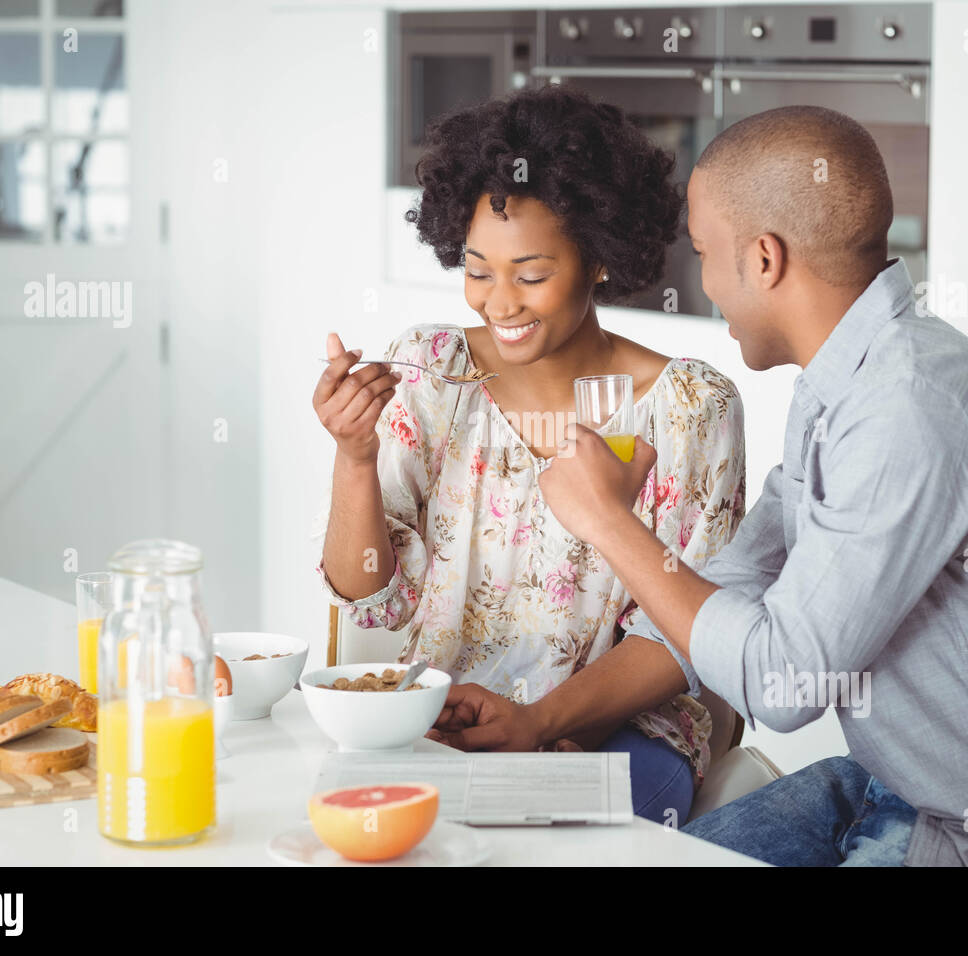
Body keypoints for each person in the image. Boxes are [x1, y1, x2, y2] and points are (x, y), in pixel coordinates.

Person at [527, 105, 968, 865]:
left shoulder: (911, 406)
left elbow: (785, 682)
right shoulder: (842, 386)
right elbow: (737, 581)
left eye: (702, 252)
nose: (703, 283)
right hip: (895, 788)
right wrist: (538, 721)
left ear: (763, 260)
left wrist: (606, 520)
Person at [312, 86, 746, 823]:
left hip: (620, 733)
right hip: (445, 718)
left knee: (540, 840)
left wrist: (545, 722)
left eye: (533, 274)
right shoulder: (431, 369)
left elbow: (688, 633)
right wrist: (354, 457)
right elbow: (373, 602)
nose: (499, 302)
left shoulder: (690, 409)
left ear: (600, 259)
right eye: (478, 270)